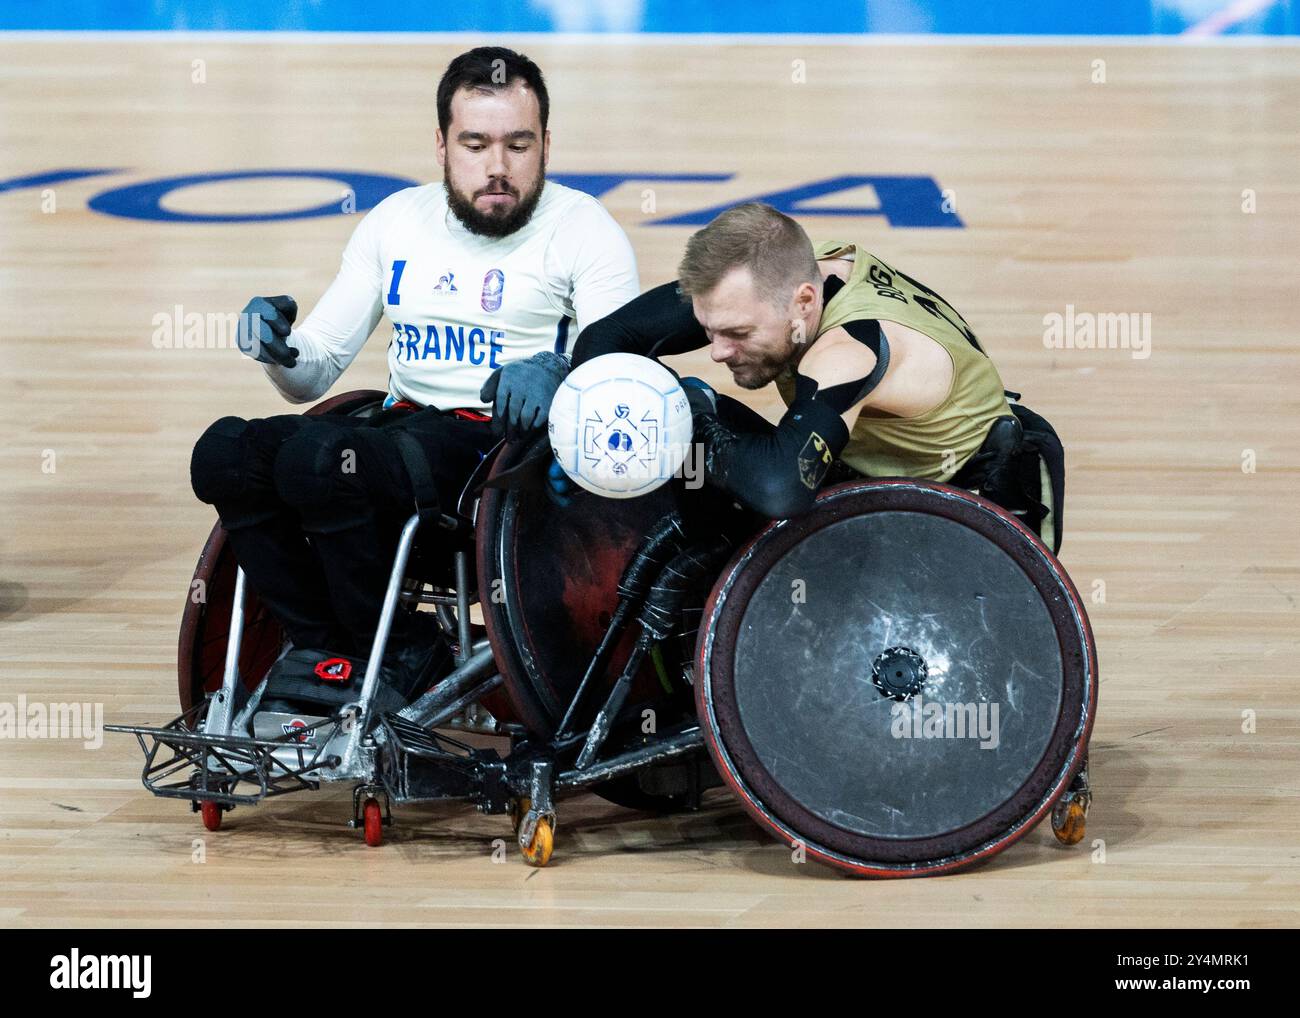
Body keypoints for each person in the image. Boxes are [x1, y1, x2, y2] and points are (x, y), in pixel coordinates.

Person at [189, 47, 639, 700]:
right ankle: (323, 648)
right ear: (441, 144)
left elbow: (623, 384)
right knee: (224, 453)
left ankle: (405, 652)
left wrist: (558, 373)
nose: (497, 167)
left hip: (501, 456)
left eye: (518, 145)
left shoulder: (584, 232)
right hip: (399, 435)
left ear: (546, 143)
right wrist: (281, 351)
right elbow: (314, 375)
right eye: (476, 144)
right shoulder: (396, 221)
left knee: (322, 459)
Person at [570, 202, 1062, 549]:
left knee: (700, 421)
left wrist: (683, 417)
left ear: (804, 302)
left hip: (976, 489)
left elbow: (778, 490)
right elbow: (606, 339)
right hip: (873, 464)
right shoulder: (780, 272)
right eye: (707, 329)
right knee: (692, 424)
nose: (717, 351)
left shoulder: (847, 351)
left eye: (737, 333)